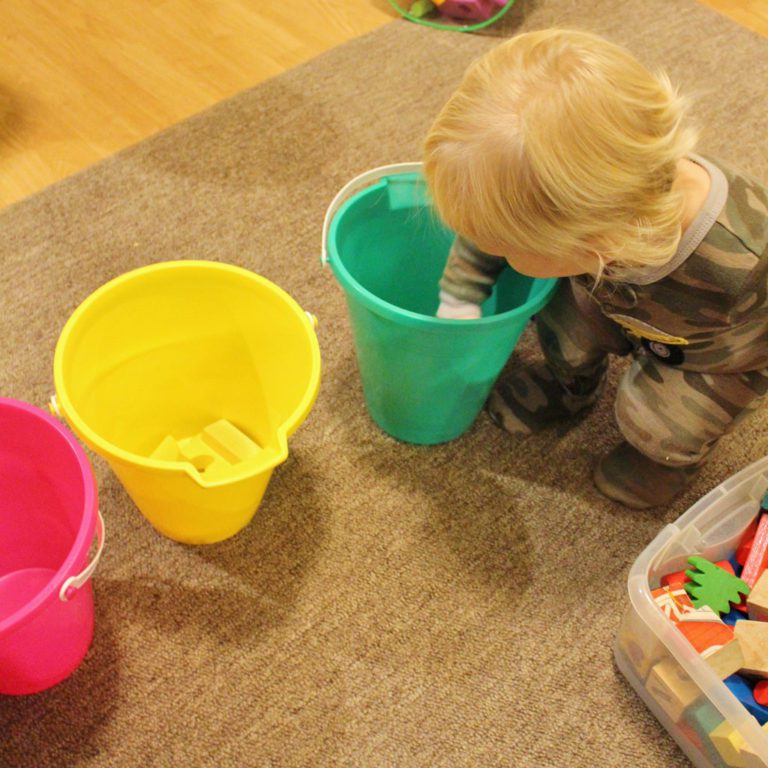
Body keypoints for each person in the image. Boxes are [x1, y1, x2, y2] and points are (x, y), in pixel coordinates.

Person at [423, 28, 768, 509]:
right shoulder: (593, 220)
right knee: (564, 329)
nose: (488, 246)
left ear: (595, 244)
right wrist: (460, 294)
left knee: (659, 420)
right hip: (612, 298)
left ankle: (666, 462)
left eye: (504, 245)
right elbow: (489, 228)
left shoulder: (743, 259)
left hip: (712, 351)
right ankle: (570, 388)